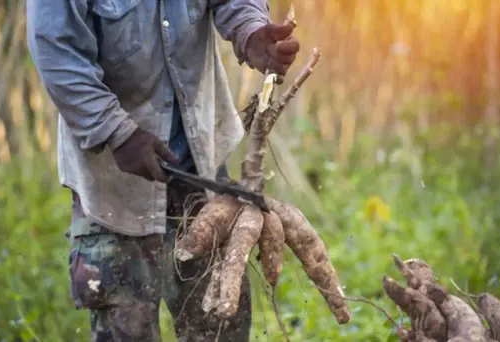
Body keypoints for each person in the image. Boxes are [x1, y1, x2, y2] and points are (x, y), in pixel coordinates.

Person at [26, 1, 300, 341]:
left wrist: (251, 31)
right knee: (126, 330)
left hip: (203, 174)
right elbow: (56, 50)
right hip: (115, 191)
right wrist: (117, 132)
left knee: (220, 328)